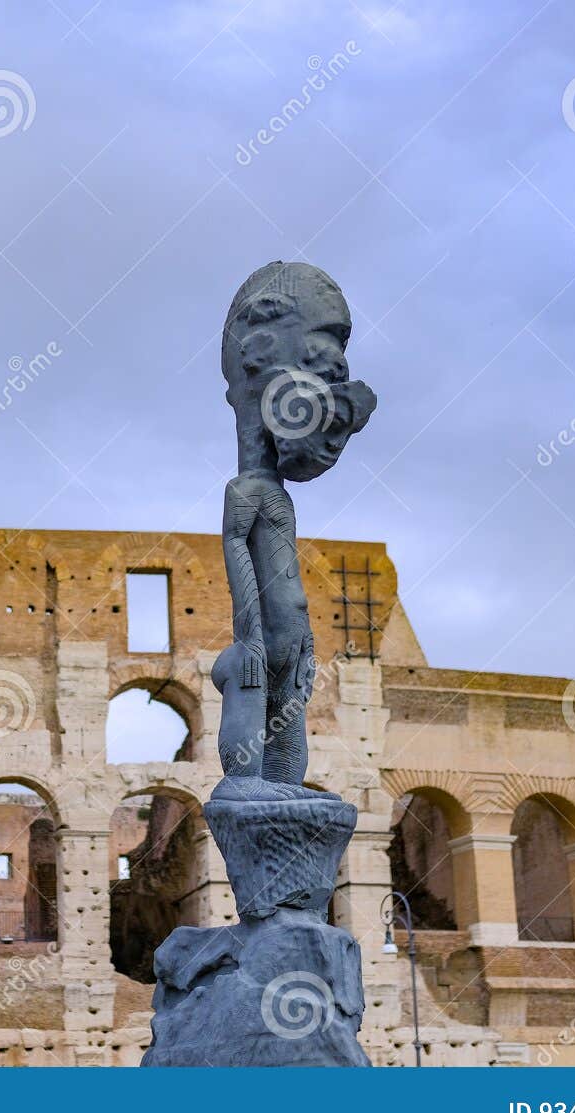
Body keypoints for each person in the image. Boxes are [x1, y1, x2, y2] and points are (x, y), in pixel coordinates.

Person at [210, 262, 377, 803]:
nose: (338, 360)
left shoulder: (274, 491)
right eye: (325, 338)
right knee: (251, 713)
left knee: (289, 732)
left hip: (292, 642)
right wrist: (250, 636)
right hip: (258, 645)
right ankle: (242, 790)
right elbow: (237, 548)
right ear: (261, 350)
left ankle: (283, 792)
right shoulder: (248, 490)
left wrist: (303, 645)